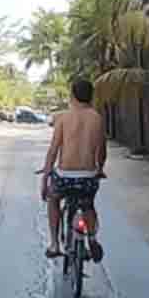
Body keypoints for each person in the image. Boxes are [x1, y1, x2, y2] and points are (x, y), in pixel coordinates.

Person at [42, 76, 107, 261]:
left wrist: (45, 177)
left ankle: (54, 244)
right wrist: (100, 168)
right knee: (88, 204)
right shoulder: (97, 119)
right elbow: (102, 151)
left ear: (72, 96)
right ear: (91, 96)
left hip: (64, 176)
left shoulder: (63, 118)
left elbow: (53, 150)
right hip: (88, 177)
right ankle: (92, 238)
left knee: (53, 199)